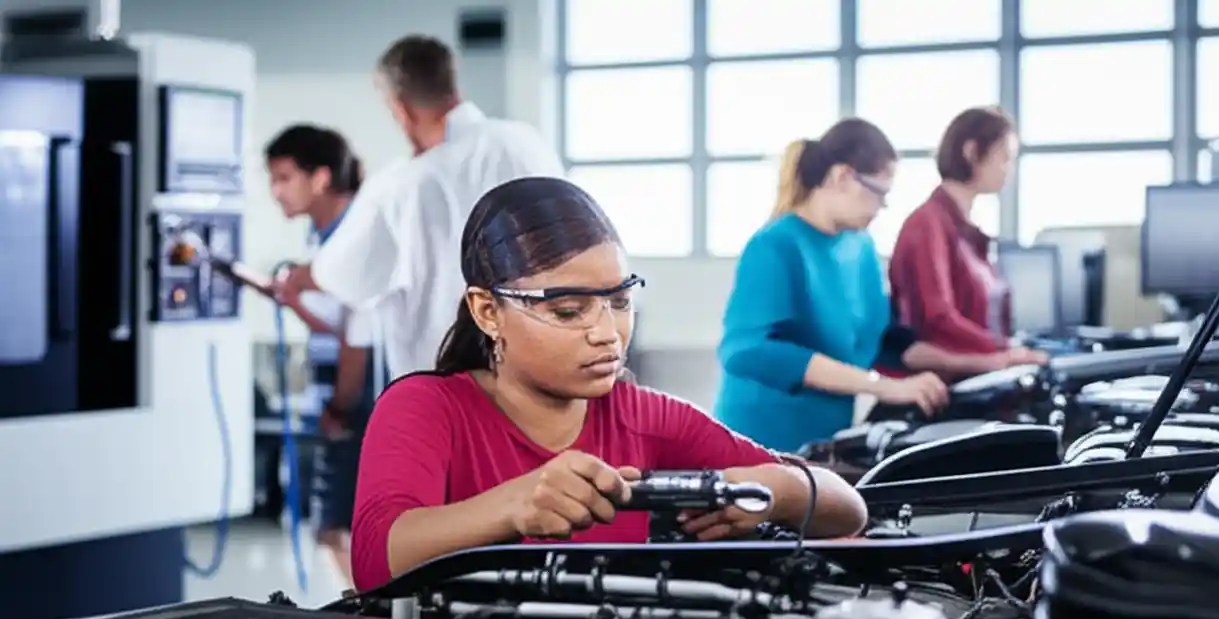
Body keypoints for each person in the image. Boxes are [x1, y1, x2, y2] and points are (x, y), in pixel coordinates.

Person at [349, 177, 867, 591]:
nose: (607, 333)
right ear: (488, 311)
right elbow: (374, 561)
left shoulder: (645, 417)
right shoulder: (426, 407)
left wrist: (778, 490)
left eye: (619, 301)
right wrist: (513, 506)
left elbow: (849, 508)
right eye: (569, 310)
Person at [714, 119, 1024, 454]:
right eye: (879, 193)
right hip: (757, 441)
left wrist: (990, 363)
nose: (881, 208)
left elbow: (883, 342)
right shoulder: (775, 245)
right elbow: (746, 351)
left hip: (823, 441)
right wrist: (882, 387)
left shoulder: (860, 248)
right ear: (842, 177)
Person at [273, 35, 565, 380]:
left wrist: (299, 277)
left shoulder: (403, 183)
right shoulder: (527, 144)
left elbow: (343, 274)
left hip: (449, 387)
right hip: (544, 375)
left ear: (401, 109)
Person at [264, 124, 376, 586]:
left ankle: (375, 615)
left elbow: (360, 332)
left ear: (321, 177)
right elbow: (338, 324)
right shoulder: (324, 235)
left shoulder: (353, 236)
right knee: (333, 524)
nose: (275, 192)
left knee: (334, 524)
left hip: (358, 390)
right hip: (341, 383)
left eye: (284, 178)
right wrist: (294, 303)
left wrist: (341, 404)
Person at [890, 107, 1048, 364]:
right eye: (1005, 157)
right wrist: (1003, 350)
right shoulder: (928, 224)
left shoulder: (966, 232)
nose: (1009, 169)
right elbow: (936, 319)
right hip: (948, 385)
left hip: (981, 375)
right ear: (972, 152)